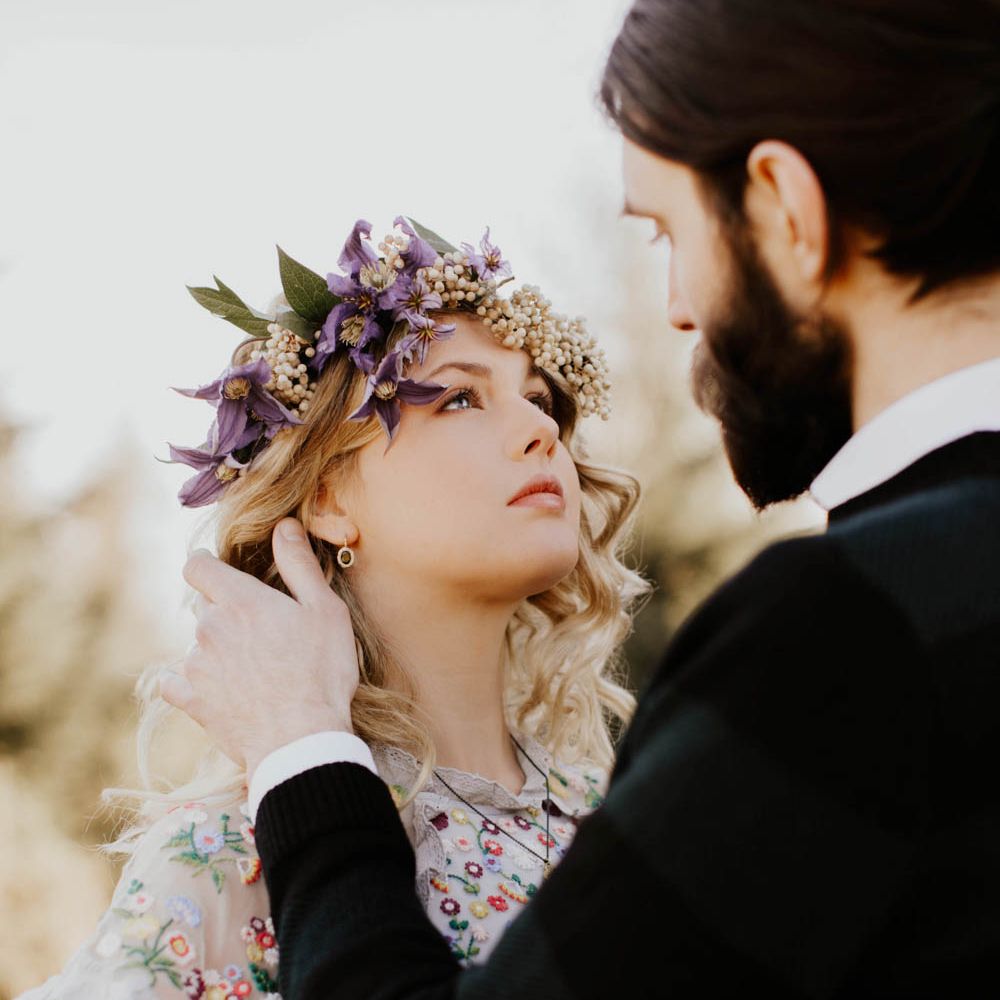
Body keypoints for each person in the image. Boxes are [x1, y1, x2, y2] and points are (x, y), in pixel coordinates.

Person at [161, 0, 1000, 997]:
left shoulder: (844, 633)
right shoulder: (213, 859)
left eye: (667, 230)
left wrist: (302, 757)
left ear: (783, 208)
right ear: (328, 493)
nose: (680, 306)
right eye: (460, 396)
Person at [16, 218, 653, 998]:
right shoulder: (240, 850)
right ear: (325, 498)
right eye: (458, 398)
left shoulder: (628, 820)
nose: (539, 428)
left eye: (540, 397)